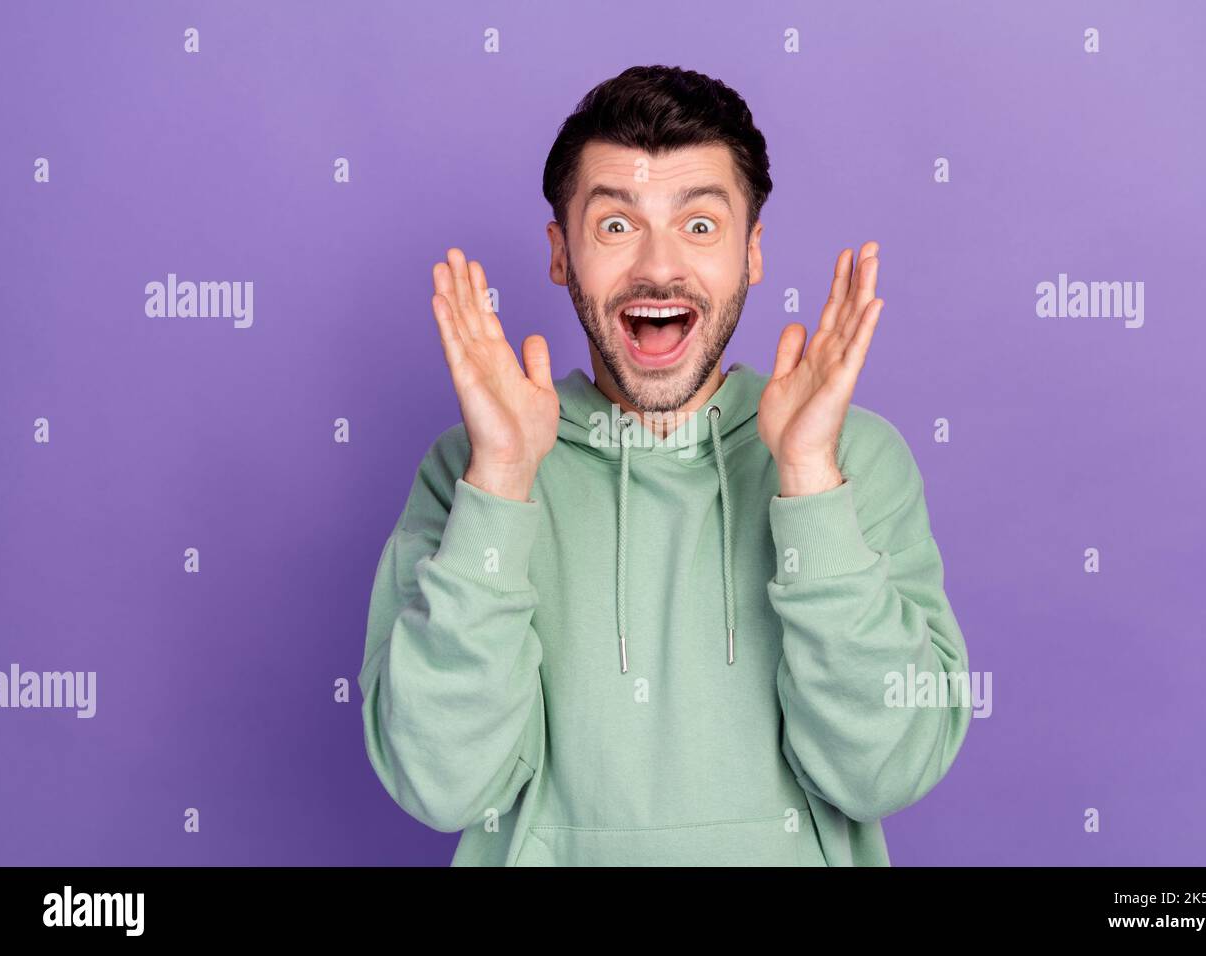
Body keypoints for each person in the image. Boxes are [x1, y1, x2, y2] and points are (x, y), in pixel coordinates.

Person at [358, 65, 971, 866]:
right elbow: (441, 783)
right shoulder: (471, 470)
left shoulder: (856, 459)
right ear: (559, 252)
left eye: (701, 226)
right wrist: (503, 480)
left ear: (752, 252)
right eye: (615, 226)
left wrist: (811, 479)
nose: (657, 268)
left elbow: (886, 769)